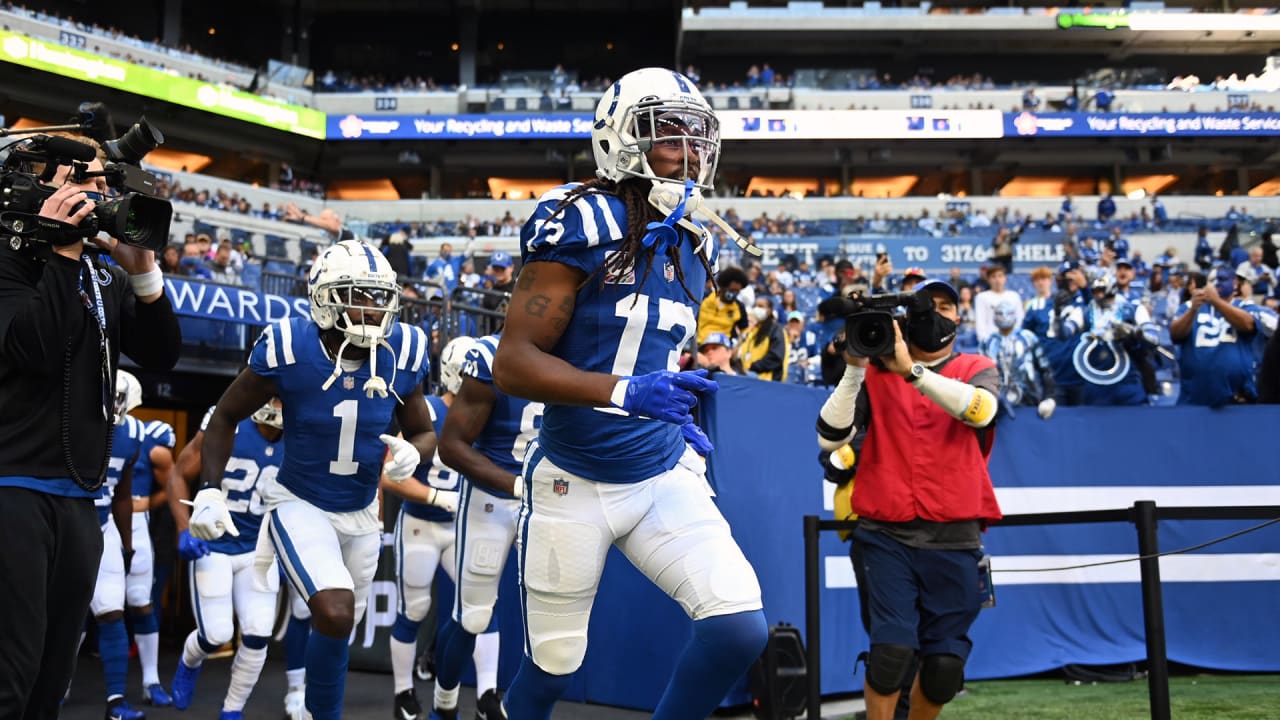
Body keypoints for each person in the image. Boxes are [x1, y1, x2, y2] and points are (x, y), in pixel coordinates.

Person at [492, 67, 767, 720]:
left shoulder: (694, 241)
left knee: (738, 628)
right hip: (573, 477)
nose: (689, 151)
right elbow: (514, 364)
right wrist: (625, 391)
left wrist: (670, 406)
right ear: (619, 138)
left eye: (697, 137)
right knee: (553, 669)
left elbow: (651, 353)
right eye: (669, 133)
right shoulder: (581, 219)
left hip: (659, 469)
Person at [185, 239, 450, 720]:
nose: (374, 309)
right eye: (359, 296)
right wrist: (207, 489)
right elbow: (224, 415)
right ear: (325, 300)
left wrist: (416, 450)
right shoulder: (290, 346)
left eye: (380, 297)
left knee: (339, 628)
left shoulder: (404, 349)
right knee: (334, 609)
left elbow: (423, 431)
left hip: (362, 512)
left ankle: (313, 708)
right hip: (299, 501)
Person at [0, 133, 180, 718]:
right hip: (12, 490)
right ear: (34, 182)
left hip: (79, 498)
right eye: (84, 180)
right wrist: (63, 252)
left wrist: (144, 274)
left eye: (104, 182)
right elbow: (33, 350)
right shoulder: (7, 259)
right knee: (10, 675)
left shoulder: (101, 274)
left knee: (51, 681)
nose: (101, 193)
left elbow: (161, 354)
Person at [816, 279, 1001, 720]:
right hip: (885, 533)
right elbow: (829, 438)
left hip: (956, 535)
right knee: (891, 653)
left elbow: (982, 411)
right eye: (927, 304)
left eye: (945, 306)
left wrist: (912, 371)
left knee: (943, 667)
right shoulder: (875, 374)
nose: (934, 313)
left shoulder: (978, 366)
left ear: (960, 317)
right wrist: (855, 368)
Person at [430, 333, 545, 720]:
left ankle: (515, 709)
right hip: (491, 496)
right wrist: (516, 484)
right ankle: (444, 704)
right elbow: (452, 446)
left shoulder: (580, 352)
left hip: (548, 500)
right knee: (473, 616)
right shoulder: (489, 355)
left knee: (552, 626)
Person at [382, 336, 485, 720]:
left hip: (461, 528)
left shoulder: (485, 415)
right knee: (415, 608)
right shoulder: (427, 410)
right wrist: (439, 497)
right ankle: (403, 692)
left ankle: (488, 693)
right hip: (421, 524)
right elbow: (389, 475)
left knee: (479, 606)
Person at [168, 399, 285, 719]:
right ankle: (189, 660)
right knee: (216, 635)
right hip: (213, 546)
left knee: (259, 632)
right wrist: (184, 529)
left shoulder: (301, 434)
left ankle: (233, 709)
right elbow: (178, 475)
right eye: (274, 397)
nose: (280, 404)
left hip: (259, 549)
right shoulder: (228, 423)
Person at [124, 407, 178, 708]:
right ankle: (60, 683)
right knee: (84, 605)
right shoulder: (94, 432)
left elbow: (173, 485)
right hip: (98, 520)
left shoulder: (152, 444)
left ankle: (151, 680)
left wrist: (144, 504)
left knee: (142, 602)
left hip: (136, 526)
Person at [737, 296, 789, 381]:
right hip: (749, 375)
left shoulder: (776, 330)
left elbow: (776, 358)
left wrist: (752, 366)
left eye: (761, 306)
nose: (757, 309)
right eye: (755, 306)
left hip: (767, 380)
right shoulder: (753, 331)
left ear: (769, 310)